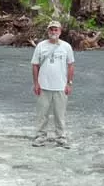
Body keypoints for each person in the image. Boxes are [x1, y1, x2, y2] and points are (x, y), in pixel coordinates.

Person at [30, 20, 75, 148]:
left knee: (60, 114)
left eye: (56, 30)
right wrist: (36, 83)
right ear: (48, 31)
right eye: (51, 29)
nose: (53, 32)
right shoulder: (41, 46)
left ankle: (61, 137)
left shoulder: (66, 47)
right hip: (43, 86)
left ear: (60, 32)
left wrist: (69, 83)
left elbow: (71, 65)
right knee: (42, 114)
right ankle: (40, 136)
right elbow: (35, 65)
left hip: (61, 86)